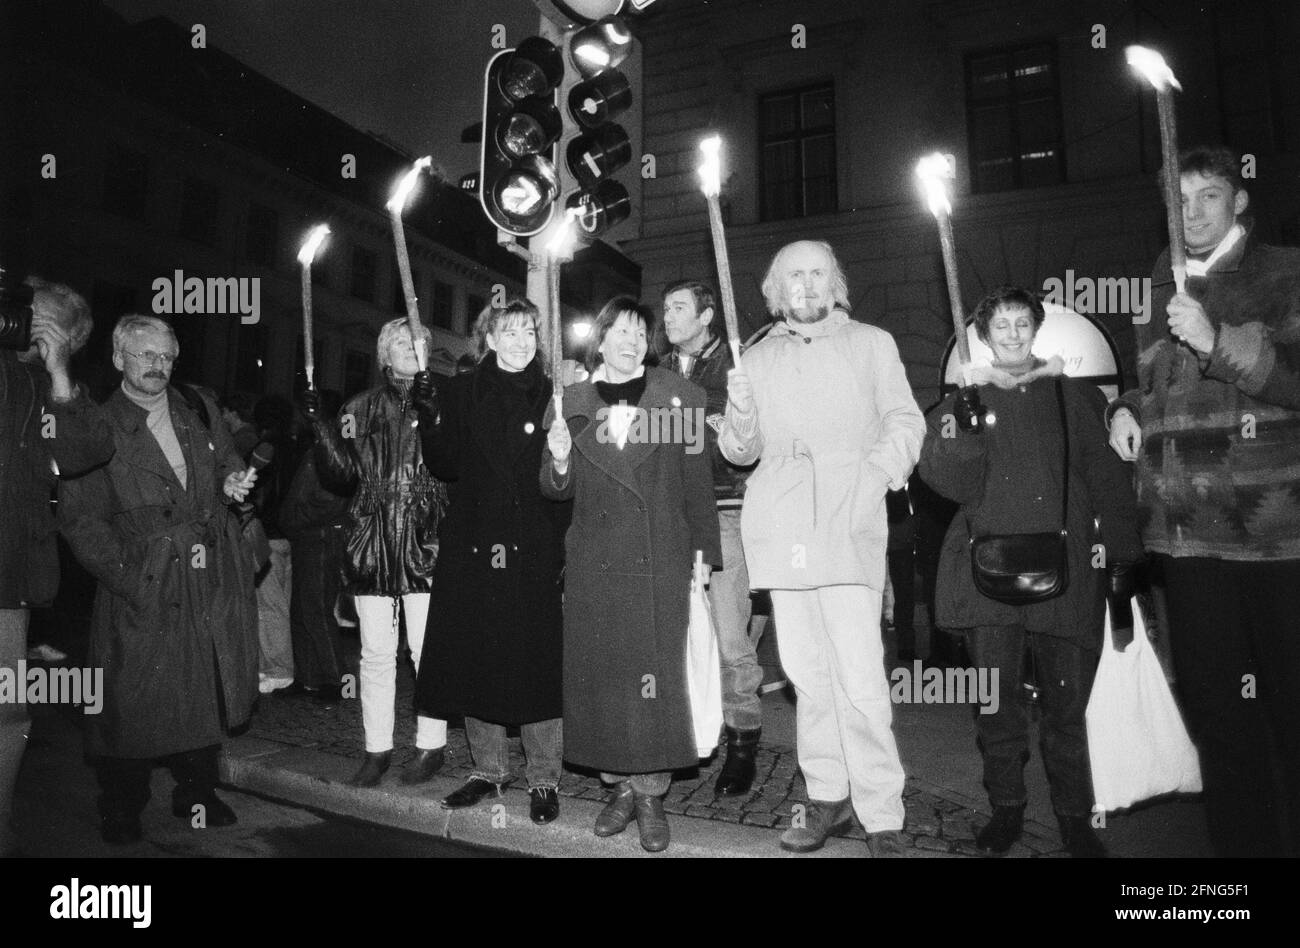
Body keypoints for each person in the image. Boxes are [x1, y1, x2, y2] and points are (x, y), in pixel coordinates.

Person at [1106, 145, 1300, 857]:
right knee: (1222, 724)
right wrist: (1123, 410)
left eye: (1209, 196)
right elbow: (1157, 389)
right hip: (1185, 542)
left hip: (1276, 537)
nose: (1192, 214)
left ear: (1240, 201)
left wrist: (1219, 340)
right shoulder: (1159, 285)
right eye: (1179, 200)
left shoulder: (1285, 272)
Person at [920, 286, 1142, 858]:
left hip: (1064, 570)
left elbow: (1106, 476)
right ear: (984, 335)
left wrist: (1121, 552)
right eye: (1002, 325)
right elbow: (948, 483)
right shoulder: (960, 403)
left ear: (1036, 329)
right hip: (985, 572)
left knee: (1066, 707)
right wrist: (964, 429)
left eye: (1023, 323)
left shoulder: (1072, 396)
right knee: (997, 705)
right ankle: (1007, 810)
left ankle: (1073, 815)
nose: (1013, 334)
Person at [720, 239, 924, 857]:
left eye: (816, 274)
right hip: (783, 529)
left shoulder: (871, 343)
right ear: (777, 291)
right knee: (807, 676)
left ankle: (882, 811)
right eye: (793, 277)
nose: (805, 285)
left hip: (847, 523)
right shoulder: (755, 356)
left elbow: (906, 421)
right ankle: (829, 796)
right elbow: (738, 452)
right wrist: (739, 409)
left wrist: (875, 477)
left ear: (834, 283)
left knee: (859, 675)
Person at [59, 314, 259, 845]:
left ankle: (196, 791)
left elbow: (226, 459)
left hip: (206, 574)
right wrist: (130, 576)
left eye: (167, 356)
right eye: (146, 355)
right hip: (145, 577)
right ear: (119, 357)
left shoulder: (196, 407)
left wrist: (232, 479)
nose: (158, 366)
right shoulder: (95, 426)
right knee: (132, 698)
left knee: (206, 685)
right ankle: (122, 803)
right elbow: (80, 519)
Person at [542, 296, 720, 852]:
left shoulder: (682, 398)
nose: (631, 340)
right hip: (596, 561)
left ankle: (649, 793)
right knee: (607, 678)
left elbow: (698, 487)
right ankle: (616, 787)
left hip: (661, 558)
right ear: (600, 340)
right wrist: (560, 459)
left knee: (656, 680)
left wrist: (703, 559)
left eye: (640, 332)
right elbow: (554, 489)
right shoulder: (568, 401)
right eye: (619, 330)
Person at [415, 299, 570, 825]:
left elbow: (564, 475)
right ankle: (489, 770)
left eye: (530, 331)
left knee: (536, 657)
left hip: (534, 539)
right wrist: (430, 418)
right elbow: (445, 463)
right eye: (511, 331)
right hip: (477, 540)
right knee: (479, 652)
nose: (523, 341)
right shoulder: (459, 393)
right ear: (491, 338)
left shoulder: (555, 394)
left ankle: (544, 777)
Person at [304, 317, 449, 788]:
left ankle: (431, 744)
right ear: (385, 355)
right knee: (375, 652)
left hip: (426, 534)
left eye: (419, 342)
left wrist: (436, 413)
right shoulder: (360, 407)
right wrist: (320, 425)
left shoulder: (442, 401)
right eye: (401, 343)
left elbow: (456, 462)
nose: (411, 348)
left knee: (427, 649)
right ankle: (376, 749)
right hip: (372, 537)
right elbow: (341, 476)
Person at [0, 275, 112, 855]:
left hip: (9, 578)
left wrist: (60, 372)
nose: (26, 325)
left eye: (46, 325)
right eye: (23, 313)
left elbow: (85, 452)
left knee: (6, 713)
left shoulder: (54, 393)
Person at [661, 279, 761, 795]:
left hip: (724, 510)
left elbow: (744, 444)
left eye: (679, 308)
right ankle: (691, 735)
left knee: (728, 634)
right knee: (678, 635)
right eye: (665, 309)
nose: (668, 316)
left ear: (707, 315)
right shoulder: (658, 370)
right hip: (671, 516)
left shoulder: (737, 367)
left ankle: (743, 741)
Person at [279, 389, 349, 701]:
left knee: (318, 610)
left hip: (320, 537)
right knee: (303, 610)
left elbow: (331, 501)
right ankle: (307, 676)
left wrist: (294, 519)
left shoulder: (331, 451)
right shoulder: (320, 448)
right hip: (309, 537)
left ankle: (335, 681)